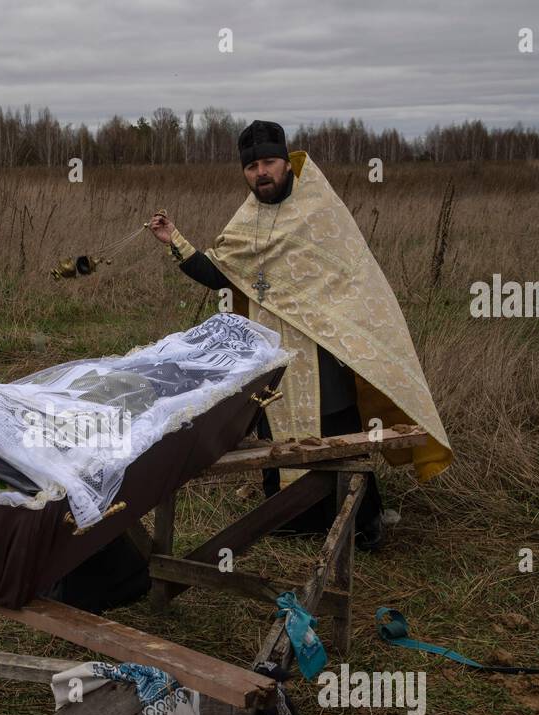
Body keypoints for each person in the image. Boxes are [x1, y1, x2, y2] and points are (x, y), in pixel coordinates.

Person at [149, 120, 453, 548]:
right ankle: (296, 522)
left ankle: (363, 526)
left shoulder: (319, 209)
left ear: (286, 163)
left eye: (269, 162)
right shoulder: (248, 220)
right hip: (273, 353)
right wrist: (173, 239)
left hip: (326, 349)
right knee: (277, 432)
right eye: (252, 166)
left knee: (338, 432)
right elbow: (221, 273)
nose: (261, 173)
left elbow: (354, 279)